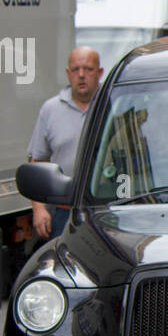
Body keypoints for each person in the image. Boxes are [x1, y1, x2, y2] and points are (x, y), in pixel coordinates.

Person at [28, 47, 103, 240]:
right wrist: (39, 209)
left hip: (105, 212)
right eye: (76, 69)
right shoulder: (51, 110)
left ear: (100, 72)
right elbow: (37, 161)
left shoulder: (112, 105)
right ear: (68, 74)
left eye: (88, 69)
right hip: (62, 213)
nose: (81, 75)